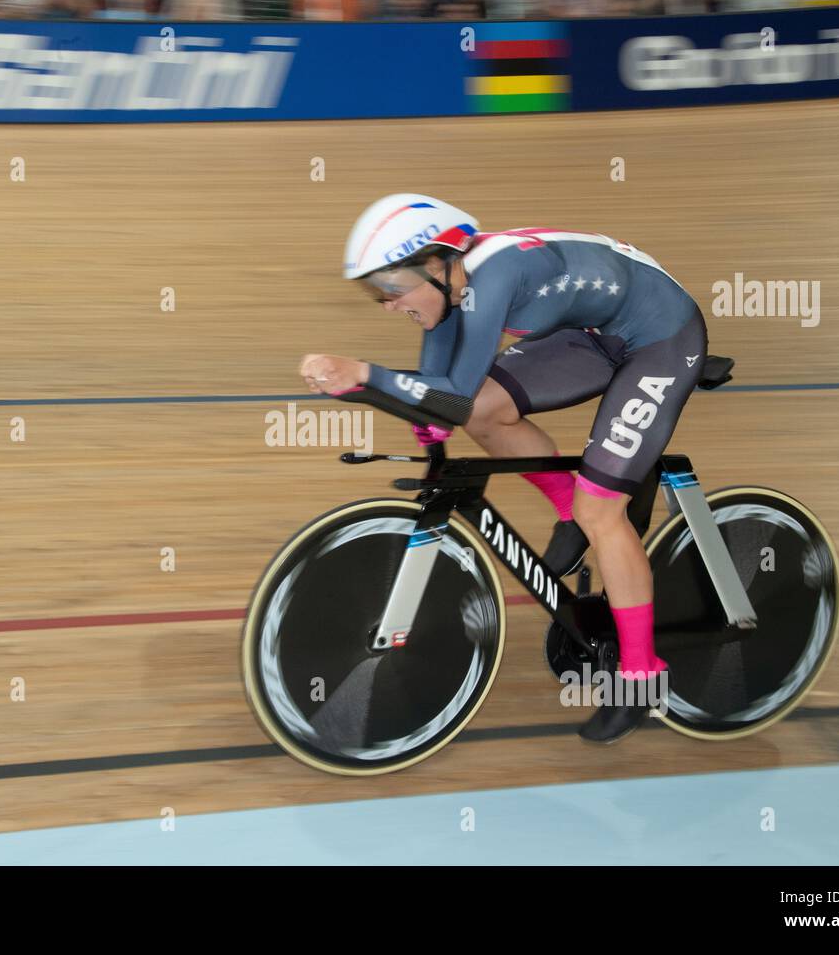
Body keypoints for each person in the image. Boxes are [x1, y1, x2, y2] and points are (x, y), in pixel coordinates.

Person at [299, 193, 709, 744]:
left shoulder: (493, 278)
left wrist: (365, 375)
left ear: (439, 264)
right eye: (378, 293)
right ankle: (570, 513)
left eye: (393, 288)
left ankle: (641, 674)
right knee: (490, 414)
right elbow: (440, 401)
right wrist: (408, 416)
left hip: (660, 336)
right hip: (592, 335)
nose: (388, 304)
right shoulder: (450, 289)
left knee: (602, 509)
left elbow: (452, 396)